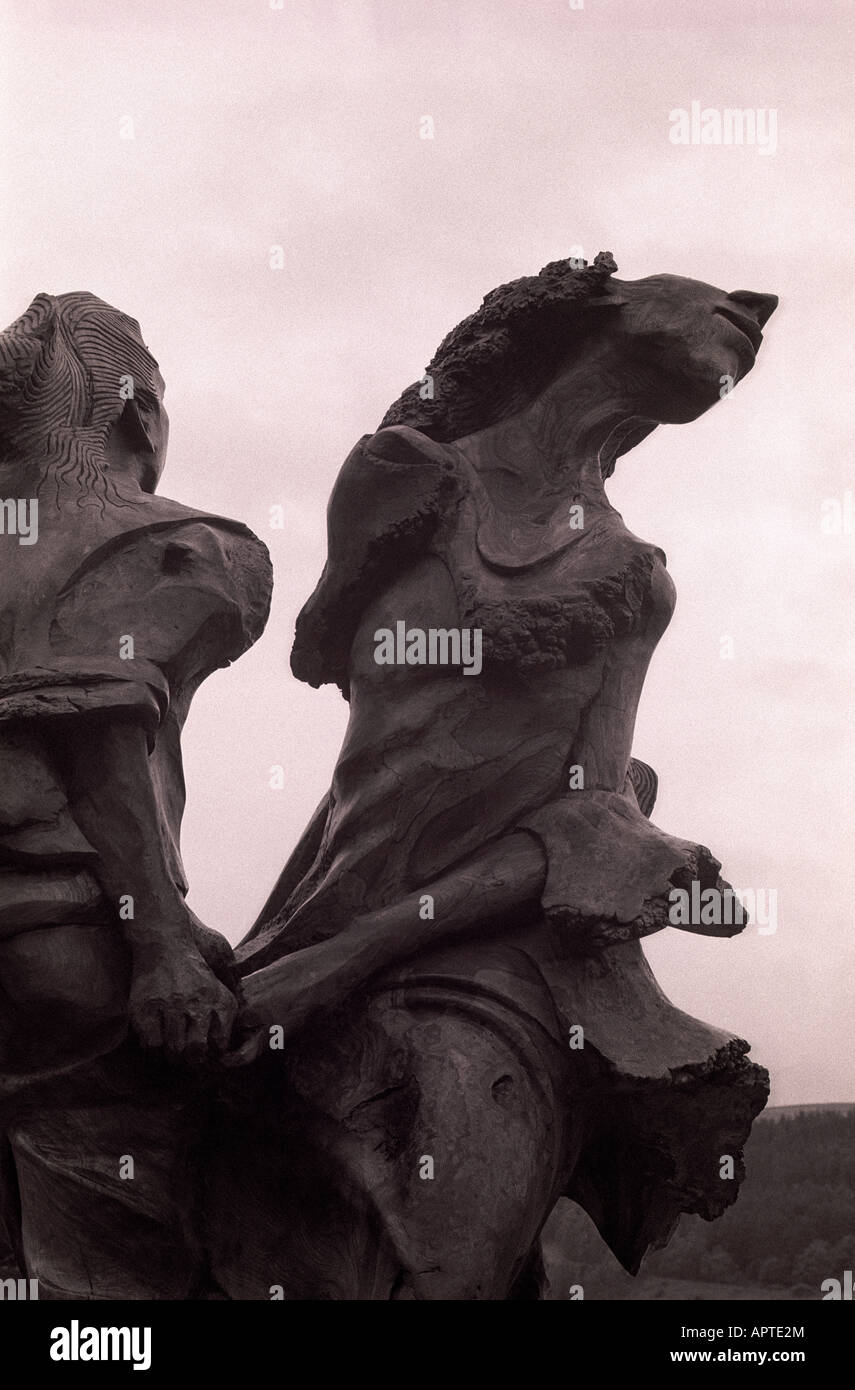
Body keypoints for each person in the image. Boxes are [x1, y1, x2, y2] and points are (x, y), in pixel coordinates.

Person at [220, 254, 776, 1298]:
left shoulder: (634, 581)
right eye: (702, 287)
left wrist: (344, 962)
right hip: (317, 920)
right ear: (594, 306)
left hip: (491, 958)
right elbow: (329, 669)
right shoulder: (402, 476)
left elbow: (596, 818)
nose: (756, 307)